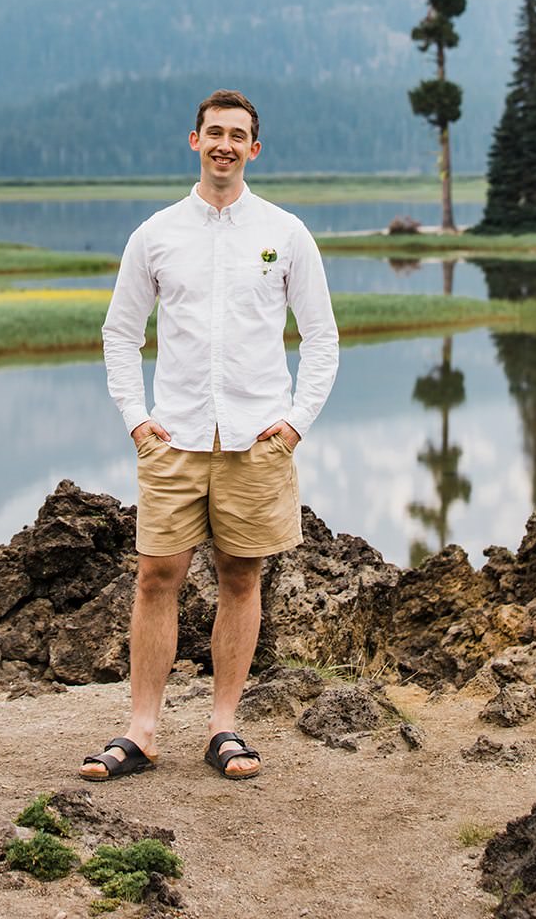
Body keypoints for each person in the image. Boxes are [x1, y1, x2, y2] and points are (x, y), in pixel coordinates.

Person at [80, 88, 339, 782]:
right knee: (154, 577)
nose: (225, 145)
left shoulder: (285, 233)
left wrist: (295, 423)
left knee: (241, 577)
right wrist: (137, 419)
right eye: (214, 132)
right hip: (174, 439)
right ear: (194, 141)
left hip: (257, 440)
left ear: (254, 149)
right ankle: (140, 732)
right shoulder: (156, 233)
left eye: (237, 135)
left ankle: (224, 727)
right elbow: (119, 333)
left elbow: (320, 337)